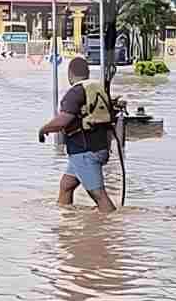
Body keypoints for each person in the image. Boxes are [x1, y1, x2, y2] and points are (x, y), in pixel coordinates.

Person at [38, 56, 117, 213]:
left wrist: (44, 129)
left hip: (84, 151)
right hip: (98, 147)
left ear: (69, 74)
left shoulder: (75, 92)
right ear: (87, 72)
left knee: (98, 195)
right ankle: (67, 222)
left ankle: (113, 228)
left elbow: (64, 120)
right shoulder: (98, 89)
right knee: (66, 185)